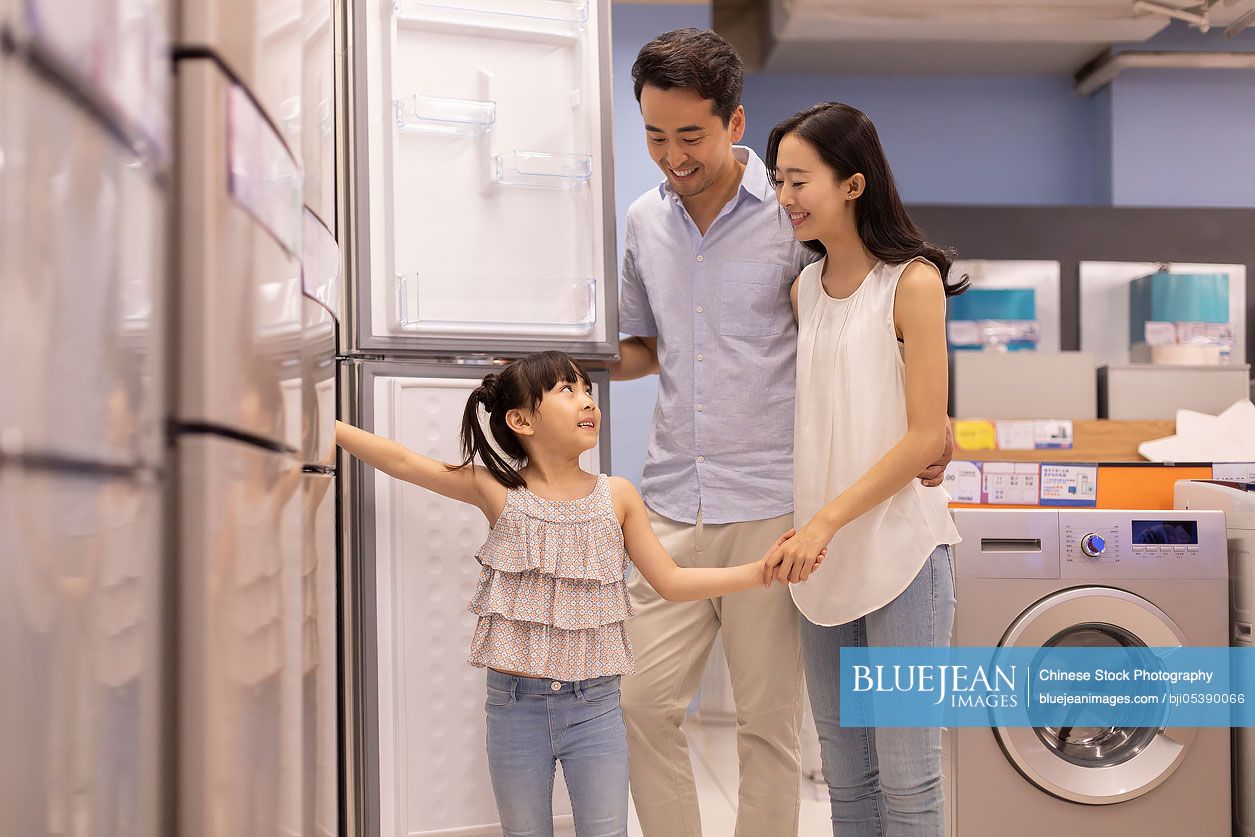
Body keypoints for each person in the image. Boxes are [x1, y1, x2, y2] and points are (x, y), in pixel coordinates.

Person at [610, 29, 951, 837]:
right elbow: (640, 349)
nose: (671, 155)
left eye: (689, 134)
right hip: (672, 499)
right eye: (654, 135)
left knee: (777, 728)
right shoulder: (646, 223)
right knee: (639, 701)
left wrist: (934, 430)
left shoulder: (796, 221)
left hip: (780, 504)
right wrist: (544, 357)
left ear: (732, 122)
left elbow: (889, 333)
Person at [333, 350, 820, 837]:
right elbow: (402, 461)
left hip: (597, 710)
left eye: (587, 389)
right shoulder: (497, 489)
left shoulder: (619, 496)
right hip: (513, 708)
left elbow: (670, 581)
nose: (588, 400)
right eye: (567, 391)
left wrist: (758, 573)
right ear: (521, 419)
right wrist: (324, 425)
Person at [765, 102, 967, 836]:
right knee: (846, 783)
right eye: (778, 180)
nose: (785, 196)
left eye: (799, 180)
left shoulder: (911, 283)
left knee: (910, 784)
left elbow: (921, 437)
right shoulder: (803, 292)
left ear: (852, 184)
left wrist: (821, 520)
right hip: (823, 563)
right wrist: (815, 529)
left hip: (903, 554)